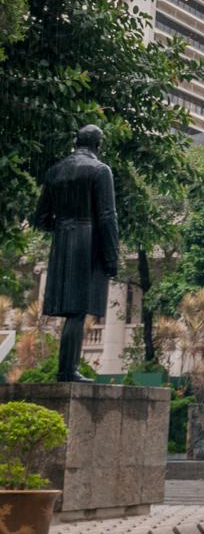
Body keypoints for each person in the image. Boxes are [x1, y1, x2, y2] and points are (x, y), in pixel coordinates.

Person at [32, 125, 119, 382]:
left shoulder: (55, 172)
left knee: (71, 310)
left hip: (62, 240)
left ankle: (66, 369)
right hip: (87, 241)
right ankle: (67, 371)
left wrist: (63, 227)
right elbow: (107, 216)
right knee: (78, 310)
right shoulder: (100, 170)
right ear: (98, 144)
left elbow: (40, 218)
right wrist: (111, 255)